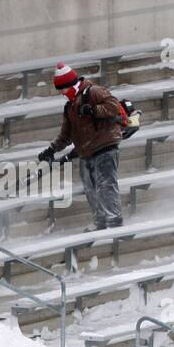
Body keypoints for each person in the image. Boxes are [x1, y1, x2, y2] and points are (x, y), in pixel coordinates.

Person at [38, 63, 126, 231]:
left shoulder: (93, 91)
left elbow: (114, 106)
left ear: (69, 85)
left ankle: (114, 221)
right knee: (90, 188)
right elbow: (66, 134)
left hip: (105, 146)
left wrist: (93, 110)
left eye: (62, 89)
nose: (61, 93)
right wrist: (51, 149)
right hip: (86, 152)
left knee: (106, 185)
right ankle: (100, 221)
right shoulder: (70, 106)